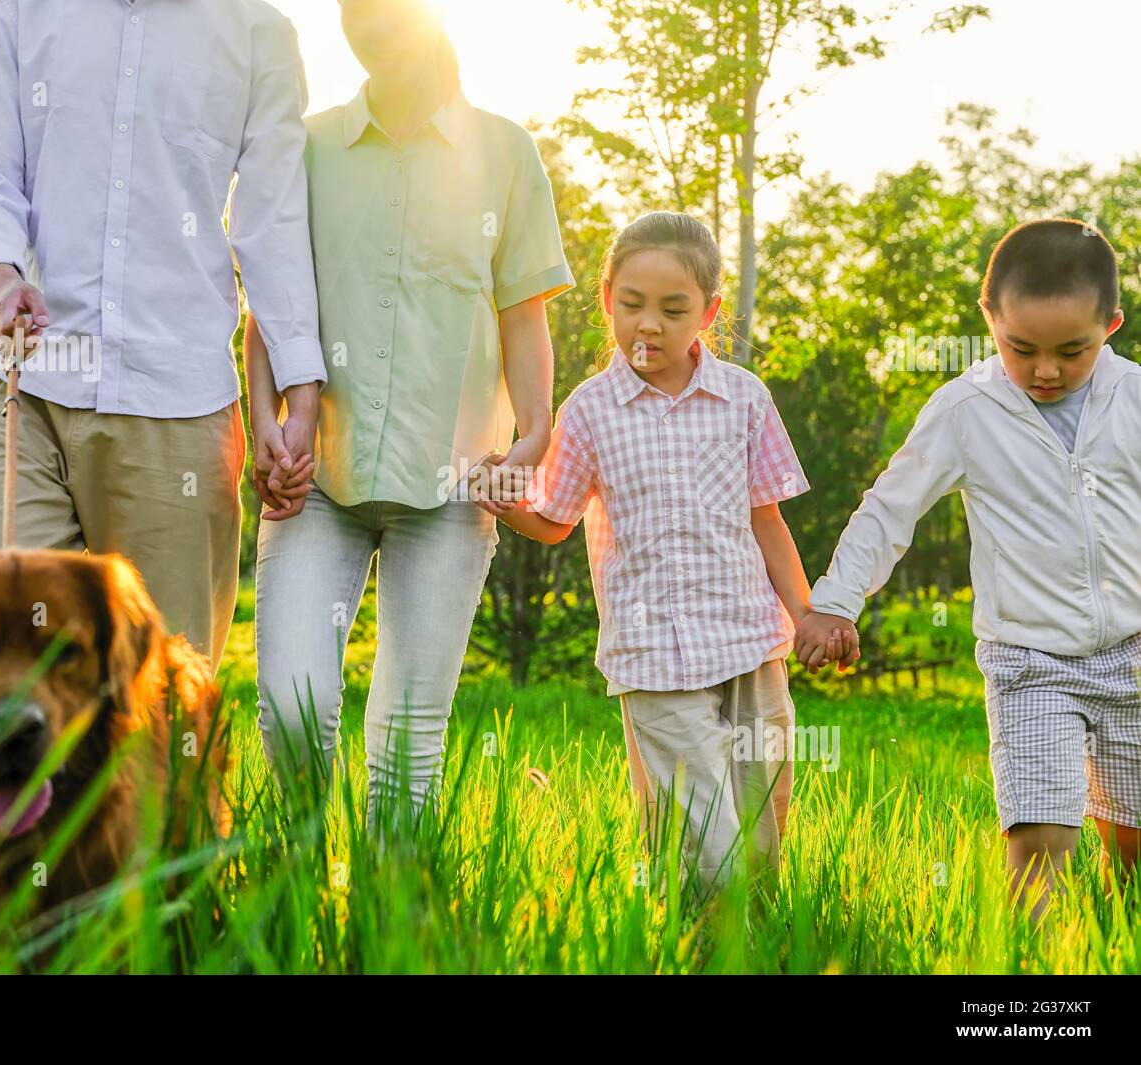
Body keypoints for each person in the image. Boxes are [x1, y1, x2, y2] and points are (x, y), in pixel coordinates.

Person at [245, 0, 574, 833]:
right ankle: (293, 910)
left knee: (407, 744)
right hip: (316, 479)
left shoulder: (504, 152)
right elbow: (270, 308)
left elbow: (522, 312)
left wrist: (533, 432)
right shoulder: (309, 146)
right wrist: (262, 421)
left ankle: (389, 933)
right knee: (293, 711)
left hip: (456, 485)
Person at [0, 0, 325, 672]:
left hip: (178, 408)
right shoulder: (18, 13)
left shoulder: (259, 35)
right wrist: (2, 277)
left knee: (164, 703)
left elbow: (273, 227)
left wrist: (300, 398)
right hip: (28, 386)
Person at [798, 218, 1139, 913]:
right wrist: (835, 600)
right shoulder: (965, 409)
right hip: (1030, 659)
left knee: (1131, 856)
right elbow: (889, 509)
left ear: (1112, 323)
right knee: (1041, 836)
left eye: (1071, 351)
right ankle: (1034, 983)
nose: (1045, 370)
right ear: (989, 318)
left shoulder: (1133, 397)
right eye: (1021, 348)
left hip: (1134, 654)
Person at [498, 211, 830, 895]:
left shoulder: (743, 398)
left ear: (707, 312)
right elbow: (553, 519)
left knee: (760, 827)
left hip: (750, 646)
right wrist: (502, 499)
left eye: (673, 309)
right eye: (631, 304)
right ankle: (701, 941)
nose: (648, 324)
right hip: (654, 657)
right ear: (606, 297)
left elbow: (766, 520)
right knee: (705, 840)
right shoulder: (589, 411)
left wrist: (806, 613)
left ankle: (749, 945)